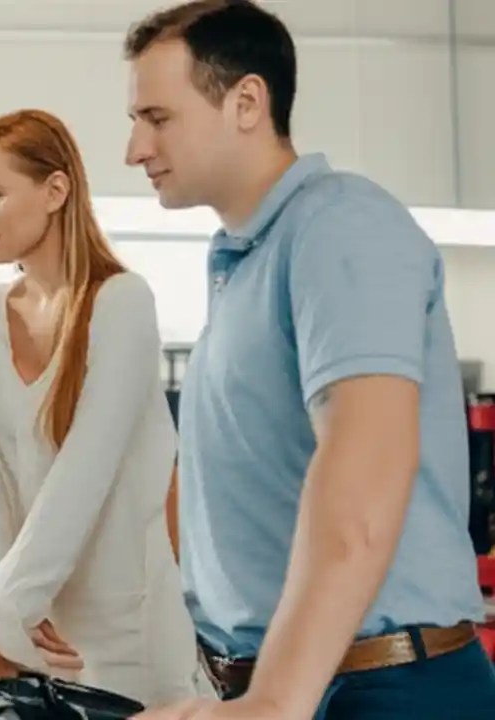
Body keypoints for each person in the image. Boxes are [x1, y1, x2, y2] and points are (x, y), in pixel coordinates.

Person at [121, 2, 495, 719]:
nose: (135, 149)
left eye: (157, 118)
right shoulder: (246, 261)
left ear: (247, 103)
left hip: (383, 690)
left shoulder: (339, 223)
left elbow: (366, 468)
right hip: (292, 685)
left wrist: (273, 702)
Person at [0, 108, 209, 707]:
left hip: (126, 629)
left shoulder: (122, 302)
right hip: (36, 630)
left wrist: (0, 617)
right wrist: (2, 609)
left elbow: (86, 472)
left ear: (55, 191)